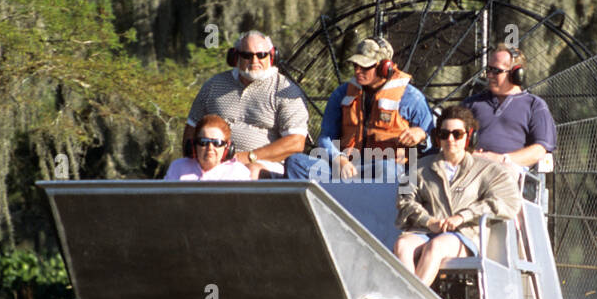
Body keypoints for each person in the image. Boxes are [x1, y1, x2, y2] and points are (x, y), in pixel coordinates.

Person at [394, 105, 522, 286]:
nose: (450, 139)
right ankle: (406, 296)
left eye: (457, 134)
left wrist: (463, 216)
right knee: (402, 245)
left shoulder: (488, 169)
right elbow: (404, 200)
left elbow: (508, 202)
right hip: (428, 231)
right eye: (444, 134)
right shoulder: (420, 167)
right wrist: (428, 221)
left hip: (464, 235)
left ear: (469, 136)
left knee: (436, 247)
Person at [184, 31, 312, 178]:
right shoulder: (213, 85)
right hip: (213, 161)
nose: (254, 60)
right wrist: (194, 159)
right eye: (247, 55)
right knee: (182, 167)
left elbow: (295, 143)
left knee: (250, 171)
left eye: (261, 55)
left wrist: (249, 157)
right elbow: (192, 127)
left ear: (272, 56)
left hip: (264, 165)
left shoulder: (284, 90)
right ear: (235, 57)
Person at [313, 37, 434, 180]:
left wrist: (421, 135)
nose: (358, 71)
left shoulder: (412, 97)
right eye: (355, 65)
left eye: (364, 67)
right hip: (347, 168)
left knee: (386, 168)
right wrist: (339, 159)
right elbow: (326, 136)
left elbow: (432, 144)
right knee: (297, 162)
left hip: (388, 170)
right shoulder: (342, 93)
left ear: (385, 68)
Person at [465, 45, 557, 168]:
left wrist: (501, 159)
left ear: (516, 74)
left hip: (512, 178)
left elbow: (540, 150)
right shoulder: (471, 104)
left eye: (496, 71)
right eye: (488, 70)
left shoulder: (534, 105)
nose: (489, 76)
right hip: (473, 171)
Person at [164, 114, 255, 180]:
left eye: (217, 143)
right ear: (194, 144)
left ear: (227, 147)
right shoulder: (178, 167)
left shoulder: (238, 172)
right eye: (204, 142)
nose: (210, 147)